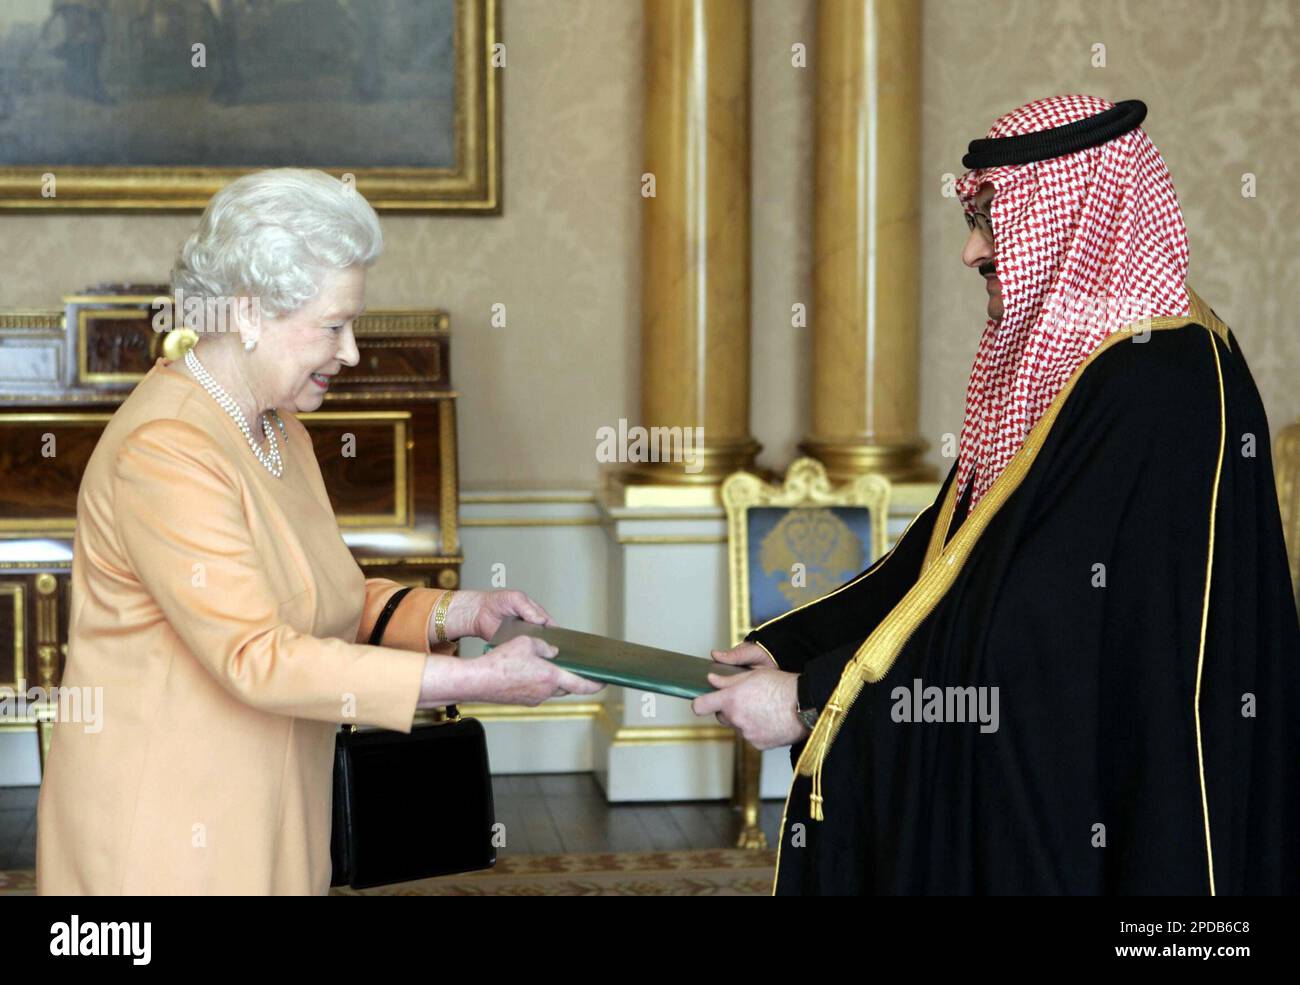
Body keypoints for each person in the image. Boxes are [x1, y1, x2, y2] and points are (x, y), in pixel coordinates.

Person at [693, 95, 1300, 894]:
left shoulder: (1157, 378)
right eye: (972, 220)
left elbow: (1027, 635)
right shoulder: (1086, 363)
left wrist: (813, 698)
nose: (972, 252)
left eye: (993, 221)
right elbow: (950, 553)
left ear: (1074, 223)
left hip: (1134, 805)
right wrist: (795, 644)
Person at [36, 168, 602, 895]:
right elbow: (257, 654)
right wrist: (481, 680)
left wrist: (461, 612)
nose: (353, 351)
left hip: (277, 813)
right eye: (333, 325)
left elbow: (318, 595)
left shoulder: (277, 426)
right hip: (168, 833)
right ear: (246, 312)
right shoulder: (168, 447)